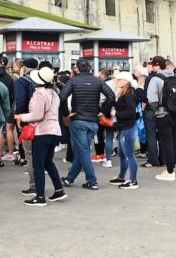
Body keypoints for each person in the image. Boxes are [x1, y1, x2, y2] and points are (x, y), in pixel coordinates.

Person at [13, 66, 67, 206]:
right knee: (48, 162)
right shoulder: (54, 93)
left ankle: (40, 196)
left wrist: (21, 116)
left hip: (42, 131)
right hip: (54, 130)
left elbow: (36, 115)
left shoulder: (38, 94)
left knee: (38, 164)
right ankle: (59, 189)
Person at [60, 59, 115, 190]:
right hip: (93, 121)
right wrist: (103, 111)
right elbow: (111, 96)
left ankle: (92, 180)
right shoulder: (98, 81)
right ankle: (69, 178)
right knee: (81, 151)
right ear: (89, 68)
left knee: (83, 150)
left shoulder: (73, 81)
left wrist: (66, 113)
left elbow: (62, 97)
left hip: (78, 119)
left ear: (77, 69)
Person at [145, 56, 176, 181]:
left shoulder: (155, 79)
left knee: (166, 142)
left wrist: (157, 109)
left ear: (156, 66)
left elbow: (152, 99)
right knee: (175, 142)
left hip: (163, 115)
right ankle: (172, 166)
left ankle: (170, 171)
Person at [105, 71, 140, 189]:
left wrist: (116, 113)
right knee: (122, 154)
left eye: (119, 80)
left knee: (129, 155)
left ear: (126, 82)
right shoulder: (123, 93)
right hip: (124, 127)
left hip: (128, 128)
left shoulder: (128, 95)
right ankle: (121, 177)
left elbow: (131, 113)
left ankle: (133, 180)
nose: (117, 81)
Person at [14, 57, 40, 190]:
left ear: (24, 68)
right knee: (43, 156)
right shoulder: (43, 81)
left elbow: (20, 102)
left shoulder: (22, 81)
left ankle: (34, 185)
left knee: (30, 154)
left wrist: (19, 116)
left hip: (29, 121)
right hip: (44, 122)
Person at [93, 67, 117, 167]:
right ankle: (109, 158)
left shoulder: (103, 85)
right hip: (114, 112)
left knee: (99, 133)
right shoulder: (116, 83)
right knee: (110, 136)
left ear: (102, 75)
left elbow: (101, 99)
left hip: (103, 112)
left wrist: (102, 111)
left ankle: (103, 156)